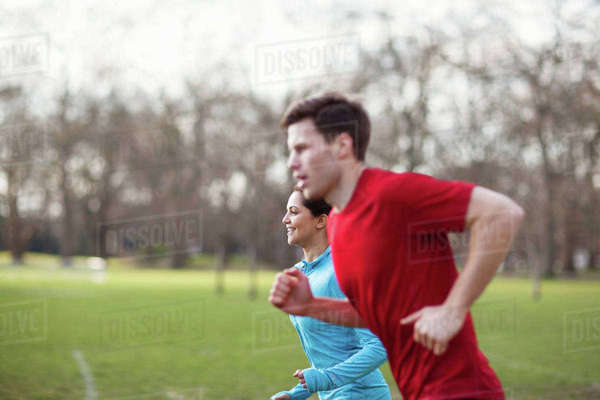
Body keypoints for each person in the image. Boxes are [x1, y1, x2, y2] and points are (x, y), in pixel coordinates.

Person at [269, 92, 525, 400]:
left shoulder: (392, 193)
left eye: (302, 149)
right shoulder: (339, 224)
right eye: (290, 151)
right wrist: (311, 306)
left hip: (461, 389)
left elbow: (501, 213)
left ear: (341, 146)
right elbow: (382, 316)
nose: (291, 163)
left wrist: (453, 310)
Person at [270, 188, 391, 400]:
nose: (285, 219)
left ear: (321, 221)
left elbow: (379, 346)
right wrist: (295, 394)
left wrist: (327, 378)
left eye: (294, 212)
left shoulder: (340, 270)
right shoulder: (299, 274)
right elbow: (329, 354)